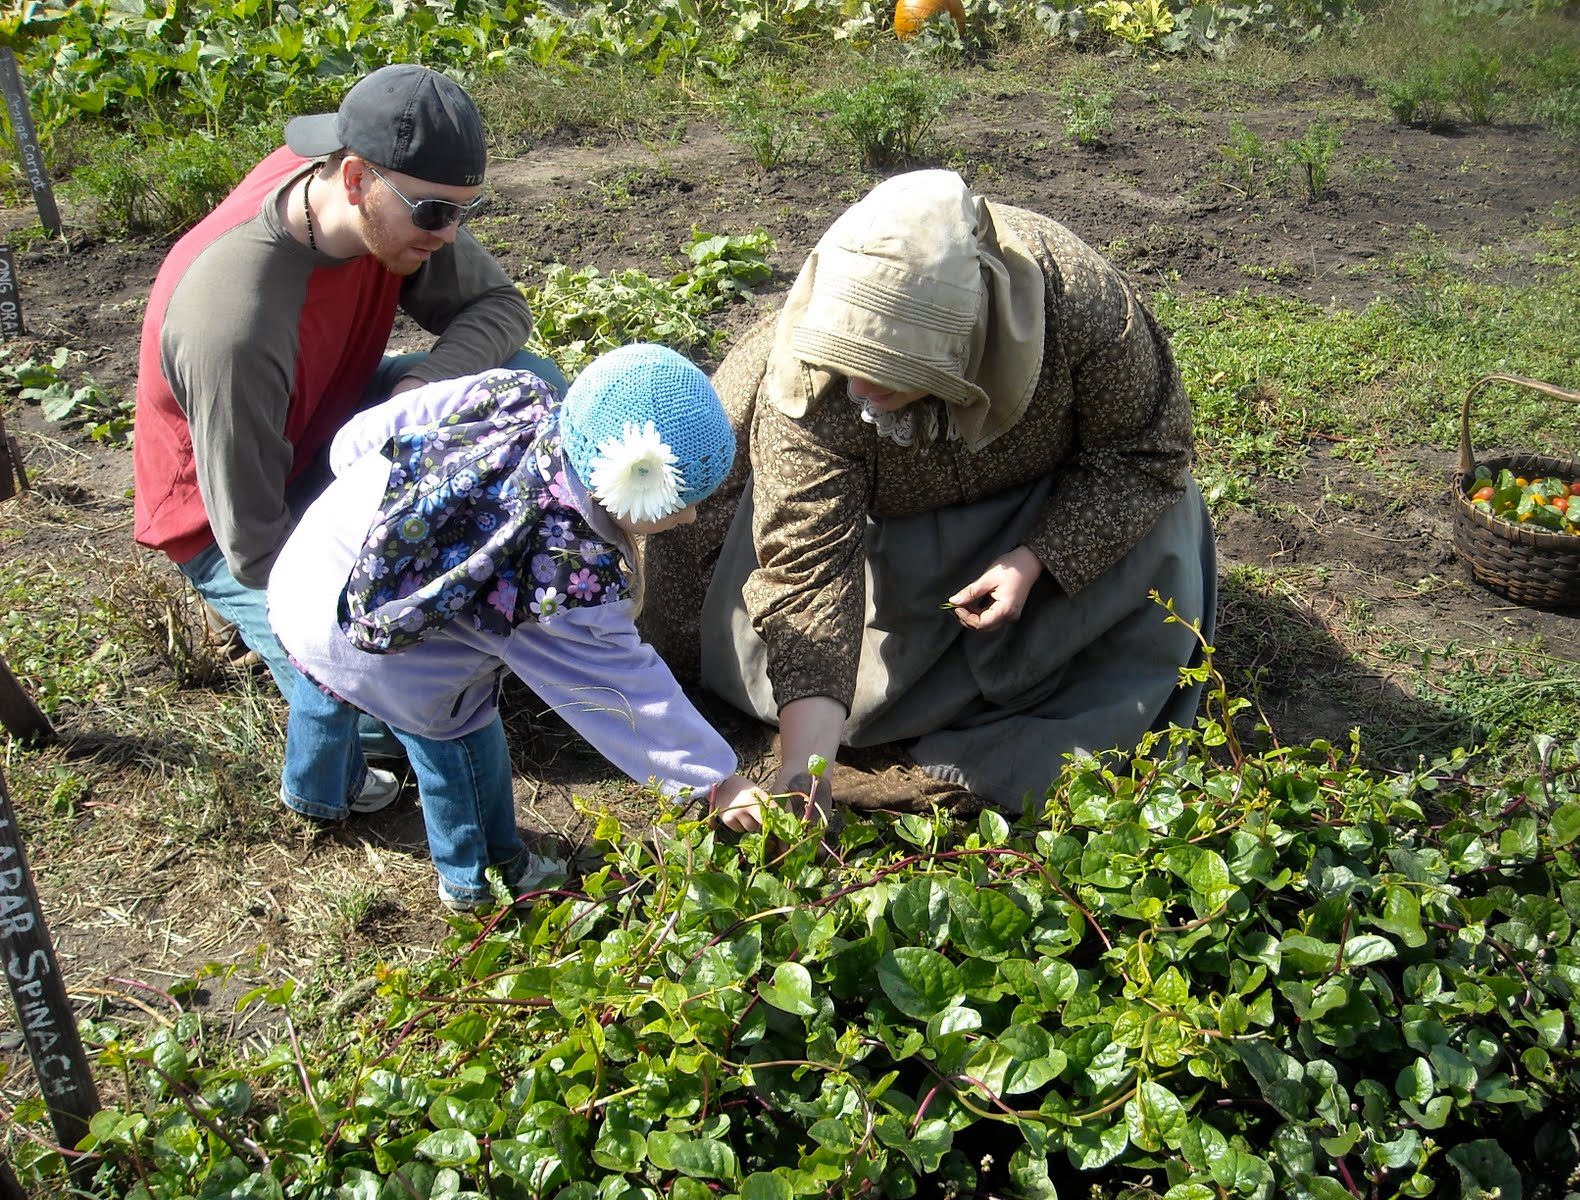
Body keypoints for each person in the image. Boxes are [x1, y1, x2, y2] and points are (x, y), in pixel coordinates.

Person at [643, 169, 1218, 817]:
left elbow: (1146, 453)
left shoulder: (1082, 308)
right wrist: (808, 775)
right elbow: (808, 574)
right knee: (823, 684)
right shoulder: (812, 383)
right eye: (847, 369)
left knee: (1166, 534)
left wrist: (1036, 559)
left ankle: (1034, 729)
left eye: (884, 377)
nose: (858, 391)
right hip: (885, 536)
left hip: (1046, 505)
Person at [132, 63, 561, 804]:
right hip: (225, 514)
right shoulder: (234, 322)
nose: (450, 232)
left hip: (328, 419)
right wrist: (385, 597)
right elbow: (252, 546)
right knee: (386, 698)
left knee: (527, 382)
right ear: (355, 177)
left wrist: (422, 389)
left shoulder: (388, 206)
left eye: (467, 210)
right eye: (434, 213)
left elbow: (498, 308)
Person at [266, 345, 772, 912]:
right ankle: (485, 877)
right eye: (678, 502)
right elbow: (620, 689)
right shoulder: (563, 572)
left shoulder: (511, 395)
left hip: (310, 574)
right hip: (387, 651)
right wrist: (714, 779)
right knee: (459, 741)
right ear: (625, 482)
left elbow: (362, 440)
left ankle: (314, 793)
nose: (689, 519)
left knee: (319, 681)